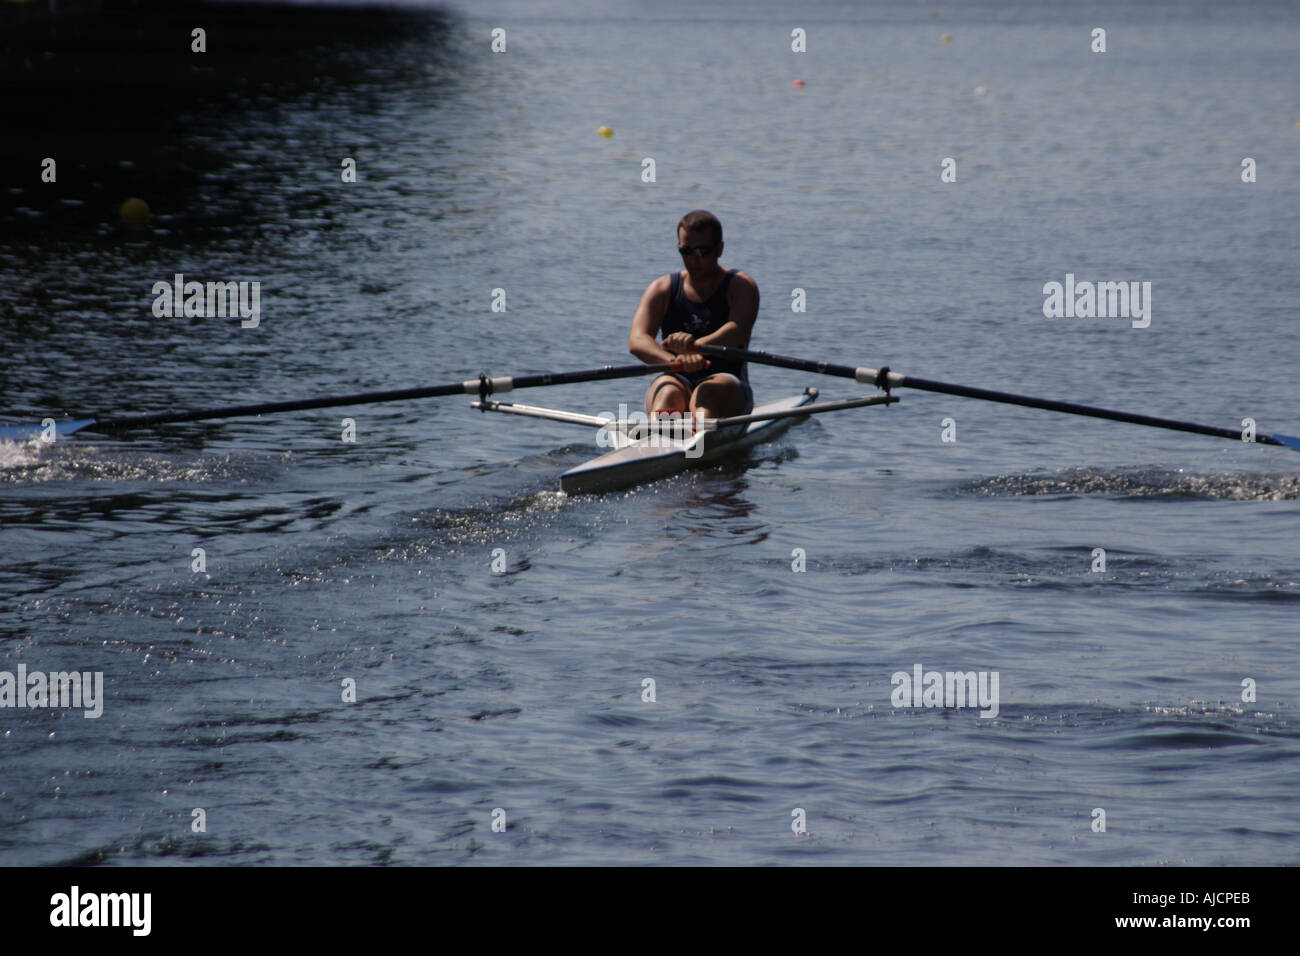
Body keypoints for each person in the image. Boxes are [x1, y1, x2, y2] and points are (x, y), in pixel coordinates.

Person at [628, 210, 757, 429]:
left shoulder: (741, 286)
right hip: (676, 379)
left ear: (719, 249)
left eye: (702, 251)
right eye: (686, 251)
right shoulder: (662, 289)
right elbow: (638, 341)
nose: (693, 260)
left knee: (706, 393)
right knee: (667, 391)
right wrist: (673, 362)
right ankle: (658, 442)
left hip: (727, 384)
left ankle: (696, 440)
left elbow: (737, 331)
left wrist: (695, 347)